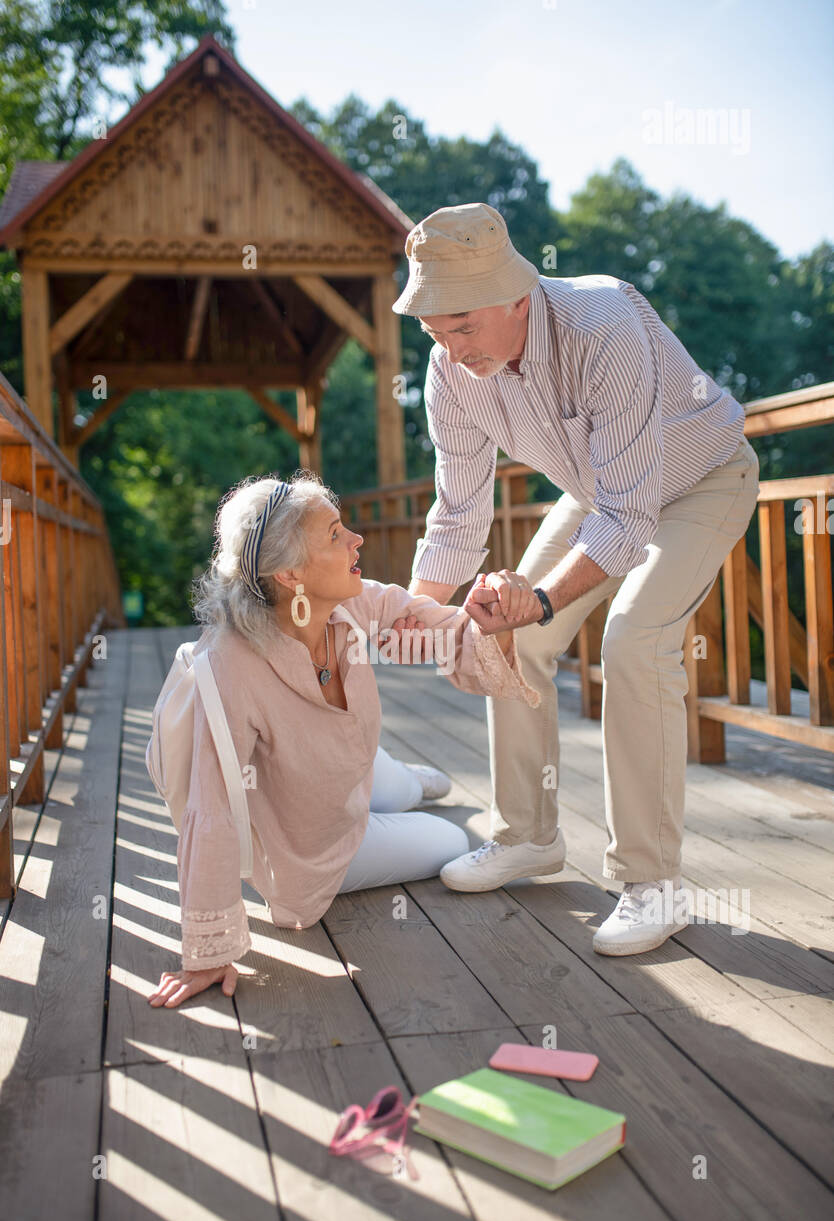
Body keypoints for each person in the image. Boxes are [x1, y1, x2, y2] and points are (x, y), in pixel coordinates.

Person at [392, 202, 760, 956]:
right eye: (435, 331)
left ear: (517, 296)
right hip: (602, 495)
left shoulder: (604, 324)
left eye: (463, 326)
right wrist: (407, 613)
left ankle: (652, 884)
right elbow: (460, 511)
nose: (453, 349)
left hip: (703, 480)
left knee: (632, 643)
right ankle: (527, 836)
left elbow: (629, 520)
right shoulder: (447, 371)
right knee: (507, 641)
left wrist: (541, 598)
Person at [148, 470, 540, 1009]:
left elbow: (441, 633)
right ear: (289, 574)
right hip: (308, 832)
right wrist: (208, 952)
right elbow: (209, 805)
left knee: (402, 787)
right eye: (335, 535)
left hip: (347, 762)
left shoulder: (354, 604)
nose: (356, 540)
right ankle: (400, 791)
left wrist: (479, 618)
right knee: (449, 842)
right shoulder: (231, 667)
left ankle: (402, 785)